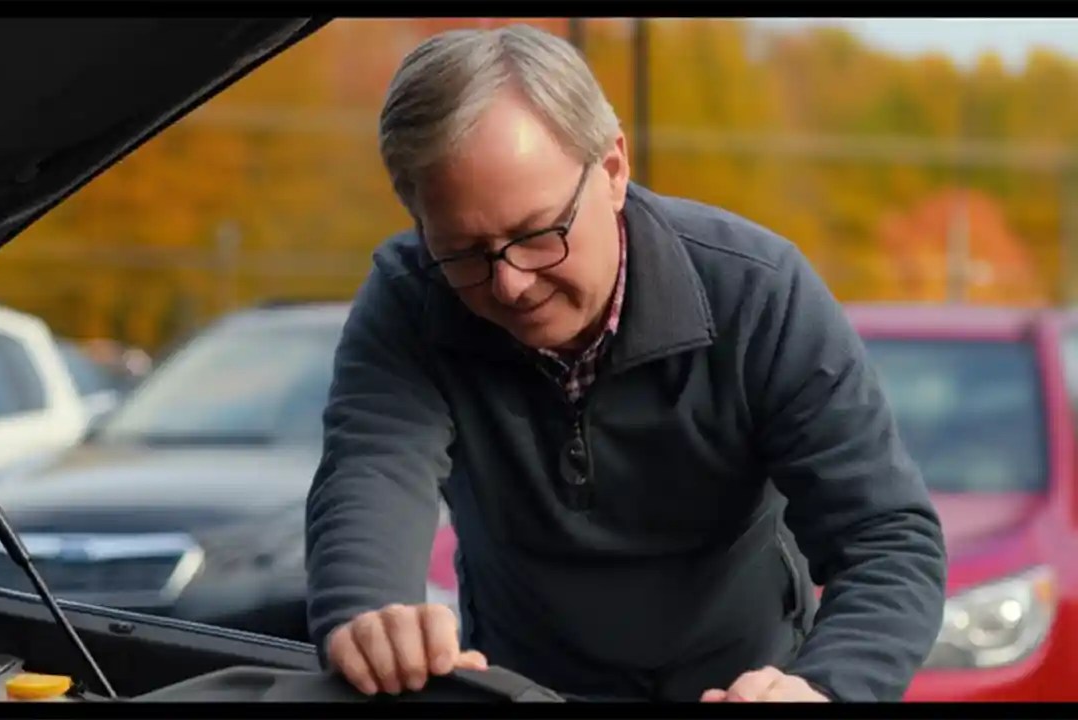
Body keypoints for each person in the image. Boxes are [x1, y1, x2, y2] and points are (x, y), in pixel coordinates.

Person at [303, 23, 947, 703]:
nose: (510, 284)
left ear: (612, 169)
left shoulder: (758, 293)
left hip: (745, 682)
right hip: (523, 686)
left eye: (536, 235)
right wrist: (368, 613)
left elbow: (885, 538)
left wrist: (825, 688)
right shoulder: (412, 298)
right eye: (465, 252)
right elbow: (371, 471)